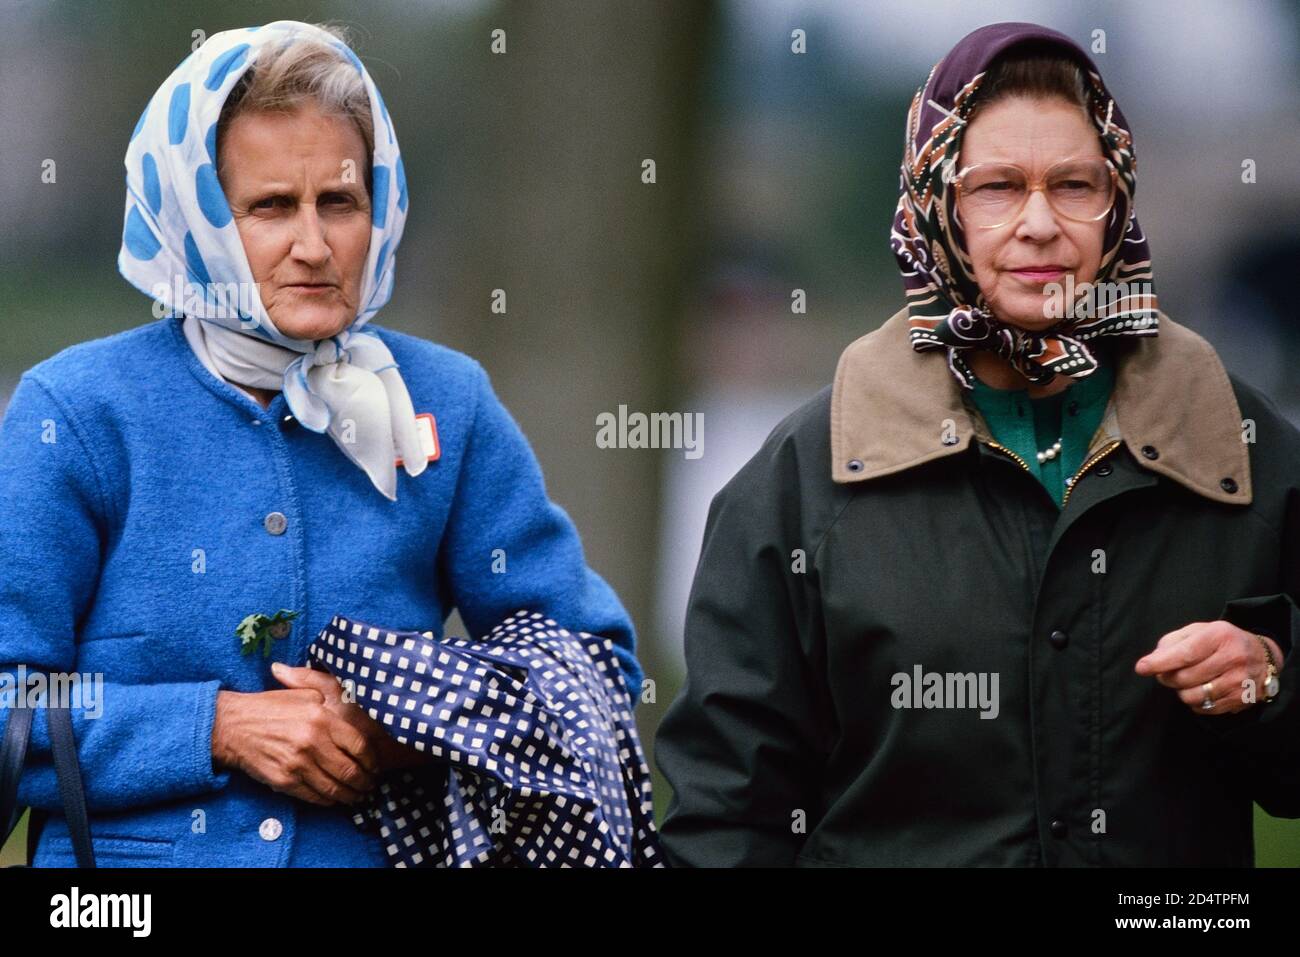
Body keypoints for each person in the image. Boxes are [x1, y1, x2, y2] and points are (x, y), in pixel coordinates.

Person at [654, 21, 1300, 867]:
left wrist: (1271, 680)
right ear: (934, 202)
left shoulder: (1243, 447)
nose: (1039, 223)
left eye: (1074, 184)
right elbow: (727, 819)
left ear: (1119, 203)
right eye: (997, 187)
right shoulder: (801, 479)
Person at [0, 20, 642, 867]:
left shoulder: (450, 401)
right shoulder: (77, 411)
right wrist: (219, 728)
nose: (314, 245)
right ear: (199, 219)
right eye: (271, 207)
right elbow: (13, 702)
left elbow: (593, 668)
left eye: (339, 201)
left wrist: (411, 725)